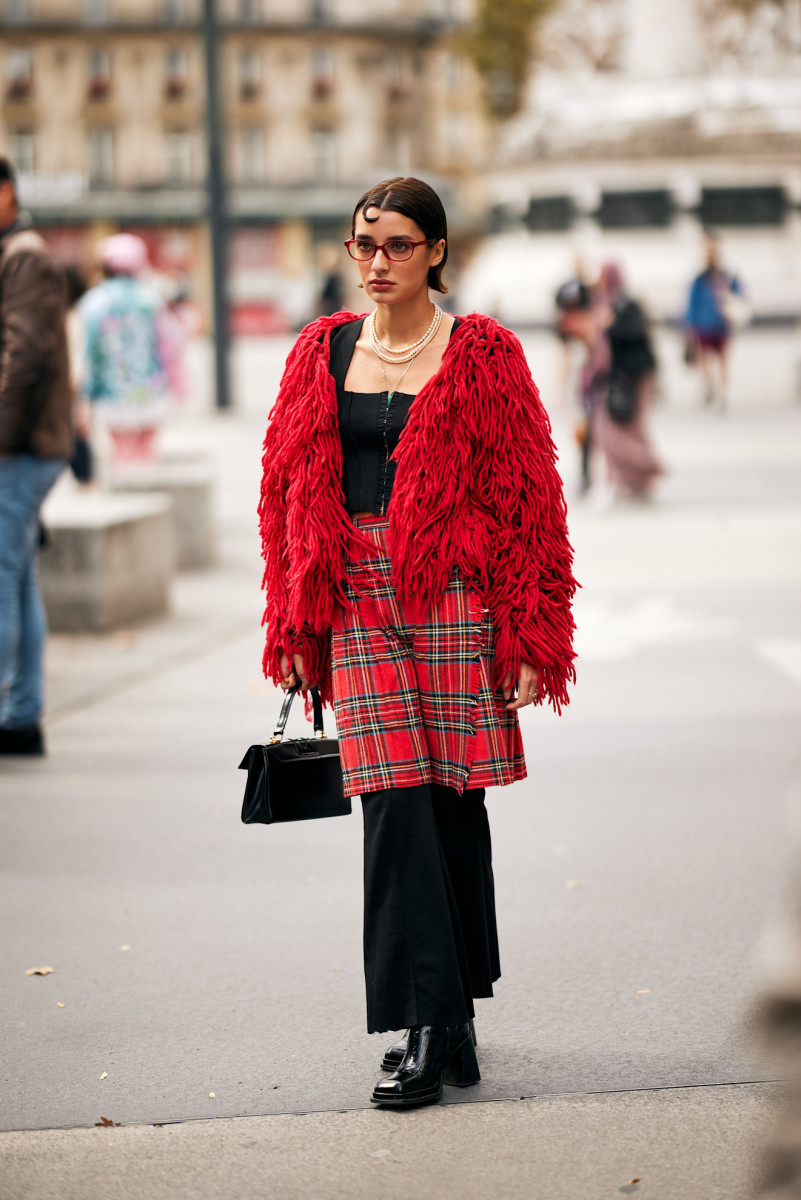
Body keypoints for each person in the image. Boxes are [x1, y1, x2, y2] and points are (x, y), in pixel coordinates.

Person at [259, 177, 577, 1108]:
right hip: (354, 591)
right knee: (392, 799)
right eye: (363, 245)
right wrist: (289, 619)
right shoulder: (319, 352)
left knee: (448, 800)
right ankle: (424, 1024)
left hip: (453, 594)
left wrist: (531, 633)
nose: (375, 263)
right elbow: (285, 491)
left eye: (396, 245)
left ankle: (457, 1008)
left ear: (434, 251)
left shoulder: (483, 354)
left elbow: (530, 501)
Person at [0, 157, 72, 756]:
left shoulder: (24, 255)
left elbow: (25, 357)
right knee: (16, 578)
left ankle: (17, 709)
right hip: (23, 444)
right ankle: (21, 715)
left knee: (4, 576)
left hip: (18, 447)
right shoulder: (21, 253)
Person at [80, 234, 173, 465]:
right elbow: (168, 346)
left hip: (111, 393)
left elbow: (88, 354)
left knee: (121, 453)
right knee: (147, 452)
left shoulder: (94, 302)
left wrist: (84, 395)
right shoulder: (150, 299)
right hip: (151, 390)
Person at [591, 261, 663, 505]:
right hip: (613, 378)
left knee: (632, 429)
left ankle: (648, 471)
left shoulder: (627, 304)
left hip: (634, 378)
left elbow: (634, 334)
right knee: (608, 431)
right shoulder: (602, 304)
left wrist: (612, 324)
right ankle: (628, 479)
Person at [684, 231, 746, 411]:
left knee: (722, 360)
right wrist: (690, 324)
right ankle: (710, 385)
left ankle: (722, 392)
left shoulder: (726, 276)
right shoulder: (700, 278)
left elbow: (738, 297)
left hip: (721, 324)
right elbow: (692, 302)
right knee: (704, 359)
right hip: (703, 325)